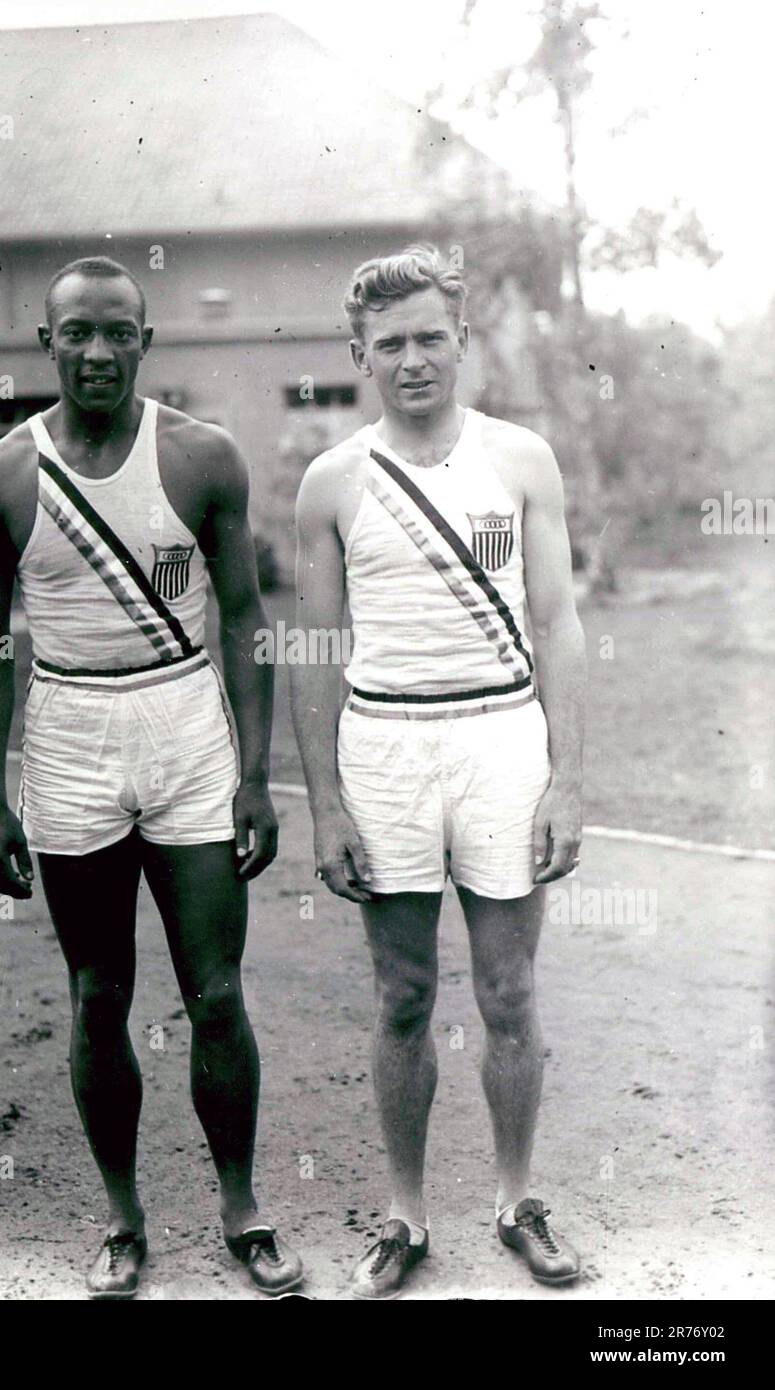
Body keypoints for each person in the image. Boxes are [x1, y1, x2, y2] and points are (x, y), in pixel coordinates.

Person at [0, 256, 302, 1299]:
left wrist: (254, 776)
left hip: (183, 722)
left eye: (118, 331)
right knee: (97, 993)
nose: (98, 351)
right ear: (46, 344)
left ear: (145, 343)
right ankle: (122, 1218)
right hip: (69, 733)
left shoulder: (201, 456)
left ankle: (243, 1211)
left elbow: (244, 619)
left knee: (214, 992)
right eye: (78, 332)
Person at [290, 245, 586, 1299]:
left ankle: (515, 1200)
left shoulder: (520, 459)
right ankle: (405, 1214)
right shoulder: (331, 481)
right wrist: (324, 805)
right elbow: (312, 649)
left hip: (500, 738)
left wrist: (565, 778)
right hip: (385, 749)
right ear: (359, 355)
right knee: (403, 993)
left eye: (429, 338)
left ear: (460, 341)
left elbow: (556, 622)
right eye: (389, 344)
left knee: (507, 988)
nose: (411, 359)